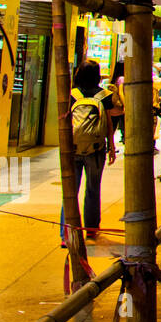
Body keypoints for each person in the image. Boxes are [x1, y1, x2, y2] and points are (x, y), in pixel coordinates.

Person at [63, 60, 118, 243]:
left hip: (73, 149)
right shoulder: (104, 95)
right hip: (96, 149)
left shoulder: (72, 94)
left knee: (71, 190)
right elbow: (109, 123)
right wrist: (111, 146)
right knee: (93, 189)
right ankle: (91, 230)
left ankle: (67, 234)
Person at [109, 60, 126, 145]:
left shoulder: (115, 78)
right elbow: (121, 92)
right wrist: (125, 105)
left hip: (114, 107)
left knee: (112, 127)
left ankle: (109, 145)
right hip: (119, 107)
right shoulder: (122, 79)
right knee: (122, 125)